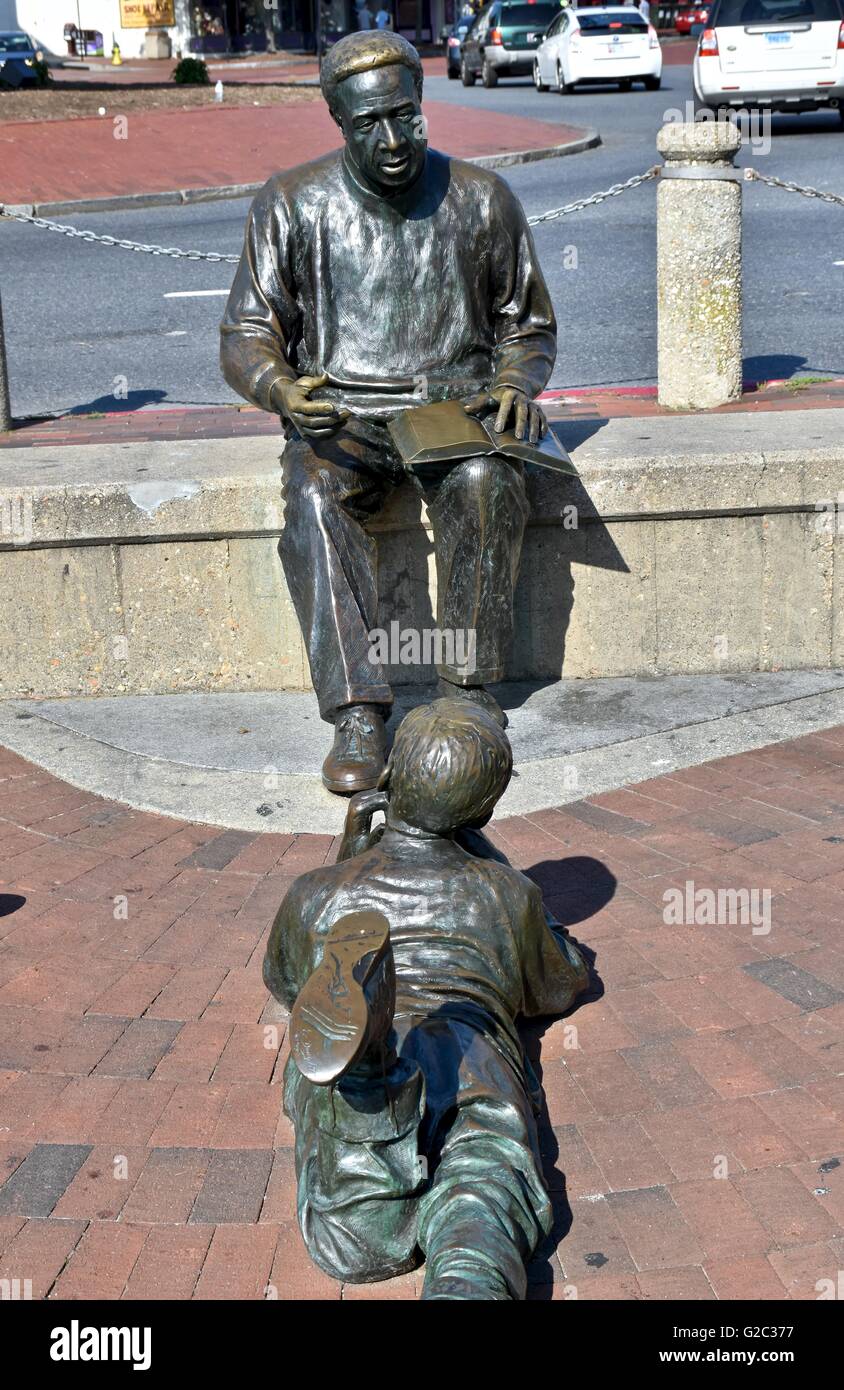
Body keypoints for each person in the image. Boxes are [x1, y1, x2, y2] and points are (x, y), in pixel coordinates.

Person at [220, 31, 555, 796]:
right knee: (311, 495)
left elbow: (527, 326)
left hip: (454, 411)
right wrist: (278, 387)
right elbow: (247, 331)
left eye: (405, 115)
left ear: (423, 105)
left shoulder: (481, 198)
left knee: (487, 482)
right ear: (340, 120)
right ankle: (358, 710)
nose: (394, 139)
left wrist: (515, 381)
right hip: (344, 418)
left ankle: (468, 694)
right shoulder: (291, 203)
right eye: (370, 123)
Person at [263, 699, 589, 1299]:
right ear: (485, 810)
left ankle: (368, 1075)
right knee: (483, 1190)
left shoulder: (314, 893)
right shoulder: (506, 894)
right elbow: (560, 986)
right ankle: (467, 1280)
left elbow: (287, 983)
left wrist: (352, 855)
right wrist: (491, 859)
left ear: (386, 780)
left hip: (381, 1043)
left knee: (355, 1238)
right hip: (473, 1056)